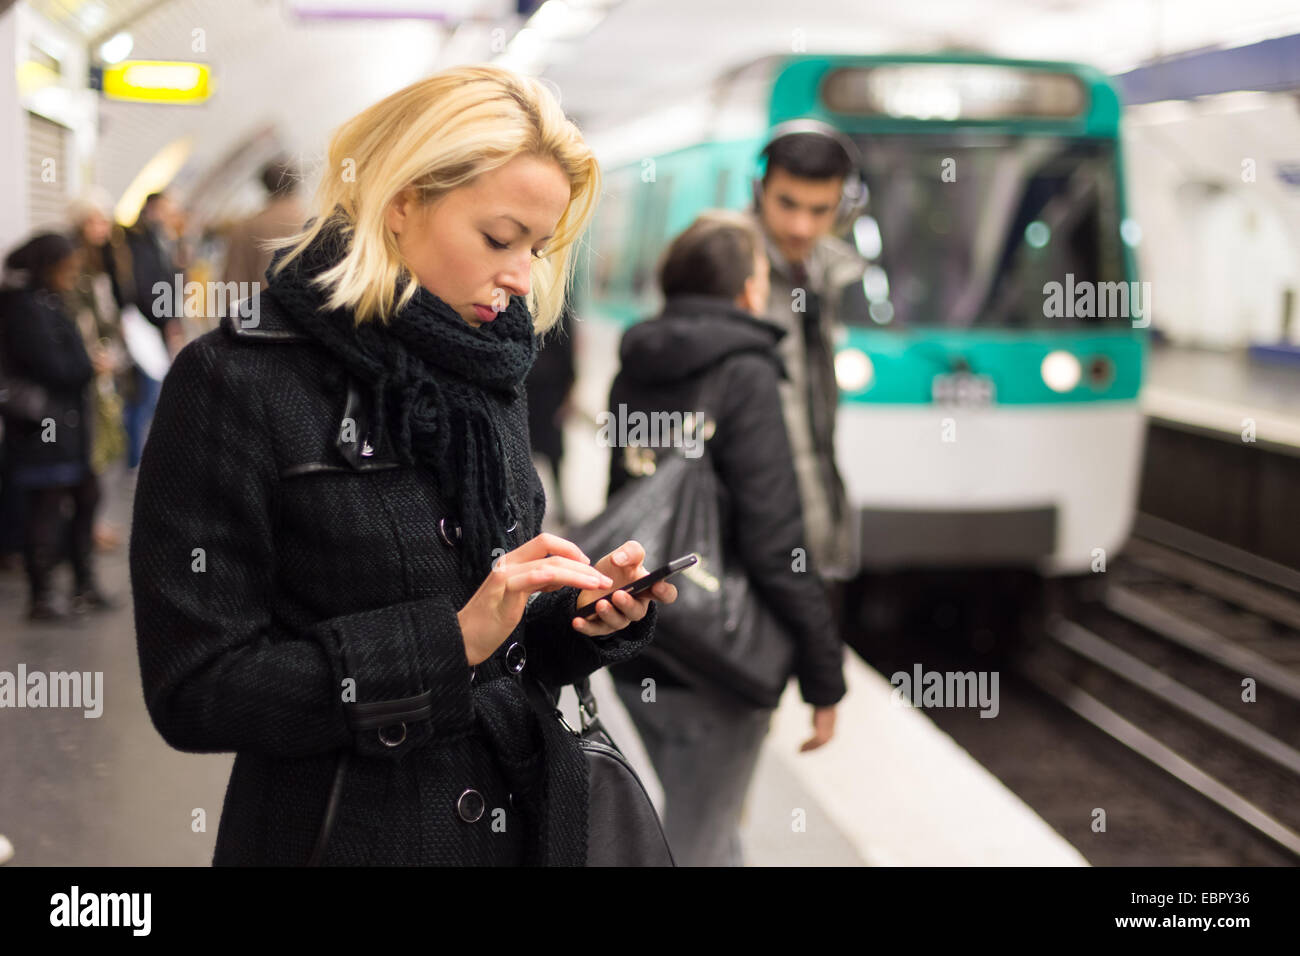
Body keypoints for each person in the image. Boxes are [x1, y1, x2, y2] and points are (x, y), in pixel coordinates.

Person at [129, 64, 677, 867]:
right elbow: (197, 689)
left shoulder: (486, 367)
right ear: (401, 203)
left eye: (538, 246)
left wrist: (574, 620)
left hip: (521, 826)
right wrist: (446, 645)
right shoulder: (233, 382)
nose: (521, 277)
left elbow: (498, 640)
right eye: (499, 238)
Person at [606, 211, 846, 866]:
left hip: (646, 644)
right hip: (723, 657)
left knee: (703, 826)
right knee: (698, 841)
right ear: (746, 289)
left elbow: (622, 507)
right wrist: (825, 676)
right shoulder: (746, 371)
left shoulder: (638, 361)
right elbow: (777, 542)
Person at [749, 121, 868, 607]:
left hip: (812, 525)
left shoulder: (834, 273)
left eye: (820, 210)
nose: (802, 226)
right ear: (759, 191)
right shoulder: (727, 265)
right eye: (787, 204)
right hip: (752, 539)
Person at [0, 233, 116, 619]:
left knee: (85, 496)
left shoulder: (44, 302)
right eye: (67, 267)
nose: (73, 273)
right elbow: (56, 367)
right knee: (45, 507)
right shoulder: (24, 308)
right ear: (47, 266)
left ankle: (82, 585)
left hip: (64, 424)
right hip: (42, 427)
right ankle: (43, 595)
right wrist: (89, 366)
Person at [67, 191, 133, 551]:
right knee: (92, 447)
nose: (102, 228)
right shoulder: (75, 265)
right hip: (88, 369)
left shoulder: (106, 260)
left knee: (107, 446)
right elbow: (79, 318)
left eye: (104, 221)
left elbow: (110, 311)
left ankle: (94, 522)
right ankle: (85, 526)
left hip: (106, 364)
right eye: (94, 221)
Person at [123, 192, 183, 472]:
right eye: (167, 208)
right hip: (145, 327)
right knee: (145, 394)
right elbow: (148, 286)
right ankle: (136, 458)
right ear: (152, 209)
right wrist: (166, 319)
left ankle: (140, 456)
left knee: (150, 393)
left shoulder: (159, 238)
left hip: (154, 324)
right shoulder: (140, 240)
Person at [220, 158, 308, 290]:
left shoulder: (247, 227)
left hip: (260, 307)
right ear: (295, 183)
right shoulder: (314, 222)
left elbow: (233, 282)